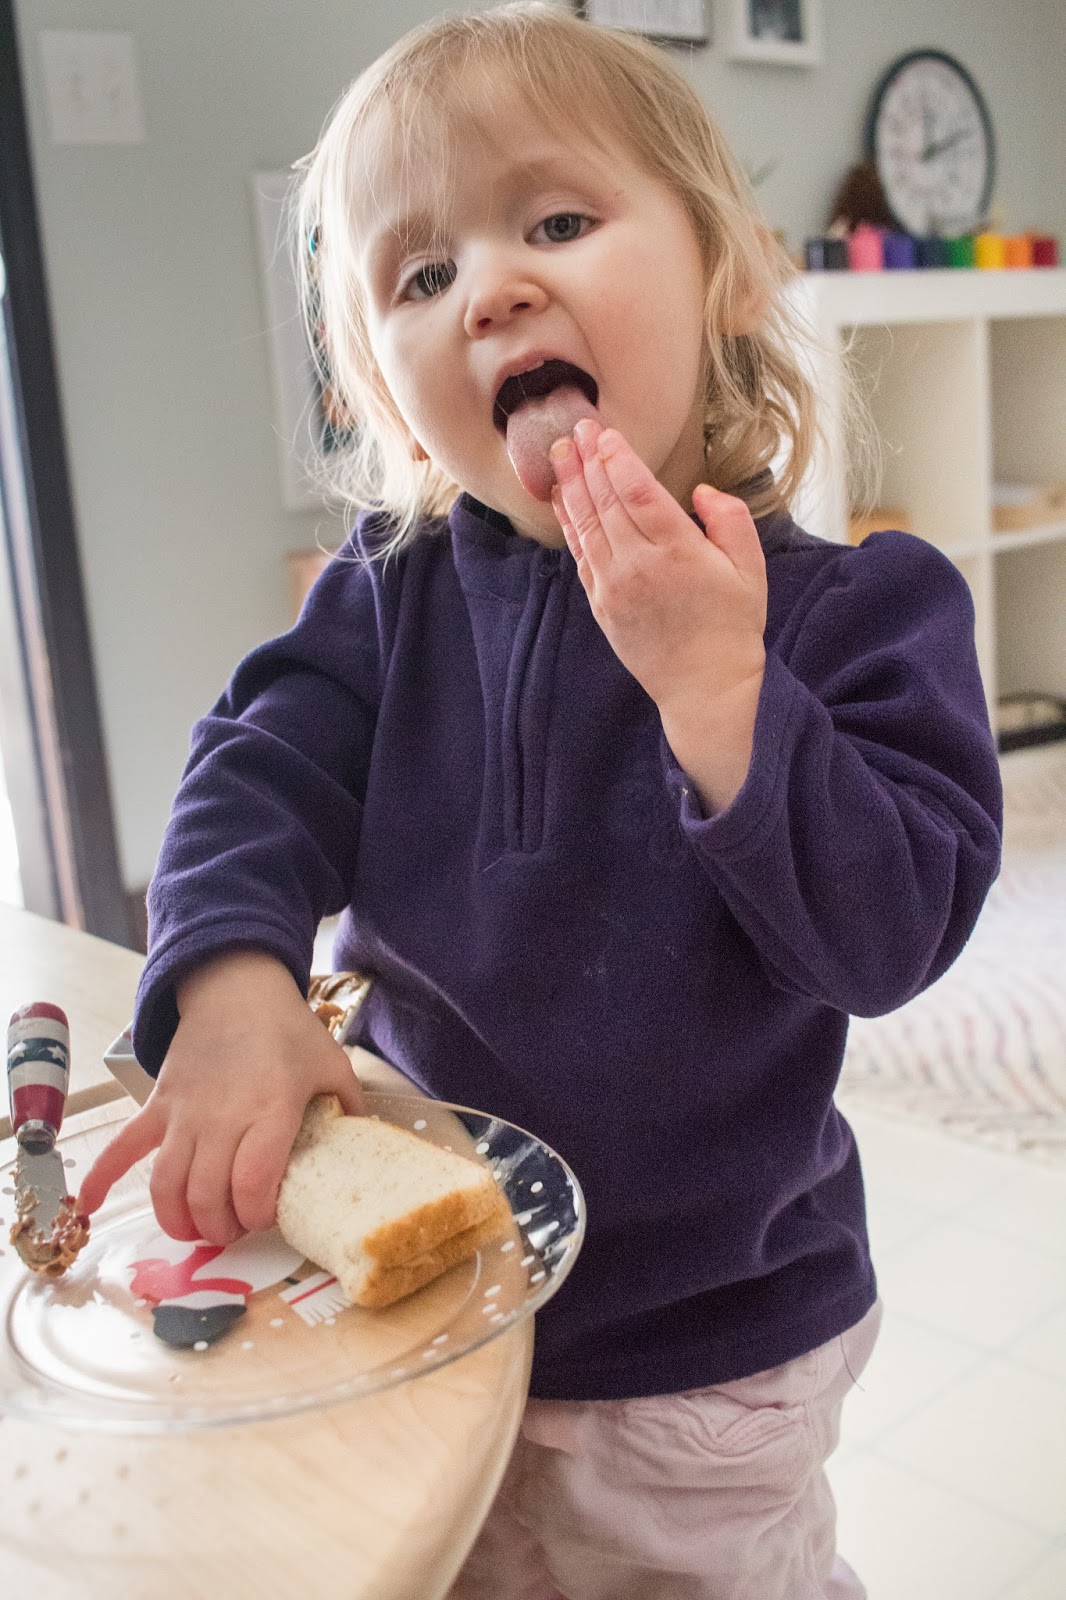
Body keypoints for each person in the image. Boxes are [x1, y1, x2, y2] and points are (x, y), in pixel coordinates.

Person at [78, 5, 1003, 1595]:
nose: (490, 287)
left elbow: (890, 936)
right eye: (419, 279)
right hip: (431, 1297)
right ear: (383, 385)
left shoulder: (860, 612)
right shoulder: (392, 589)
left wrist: (720, 694)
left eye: (557, 222)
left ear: (718, 271)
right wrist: (228, 982)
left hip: (696, 1352)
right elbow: (256, 759)